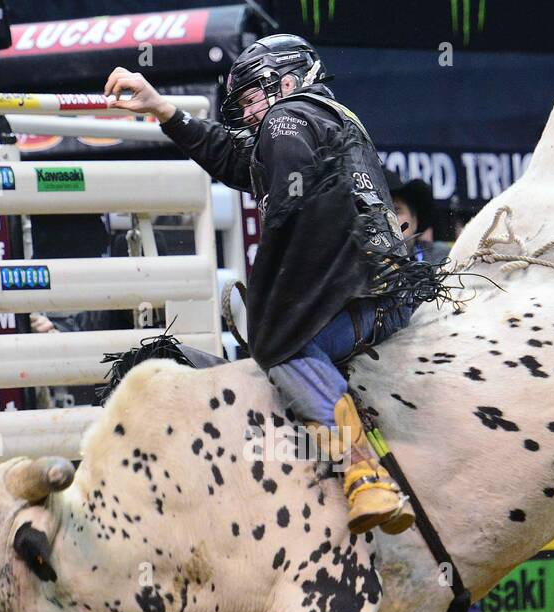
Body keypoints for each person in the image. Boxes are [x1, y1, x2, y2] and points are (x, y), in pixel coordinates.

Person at [105, 35, 448, 536]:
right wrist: (163, 109)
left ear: (287, 82)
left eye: (251, 98)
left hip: (366, 294)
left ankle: (362, 473)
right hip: (377, 289)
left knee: (281, 348)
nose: (246, 113)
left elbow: (289, 205)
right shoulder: (321, 118)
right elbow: (236, 157)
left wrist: (273, 303)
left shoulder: (287, 119)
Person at [388, 174, 449, 265]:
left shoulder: (443, 258)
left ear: (414, 220)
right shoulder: (362, 267)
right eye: (379, 212)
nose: (389, 218)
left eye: (396, 210)